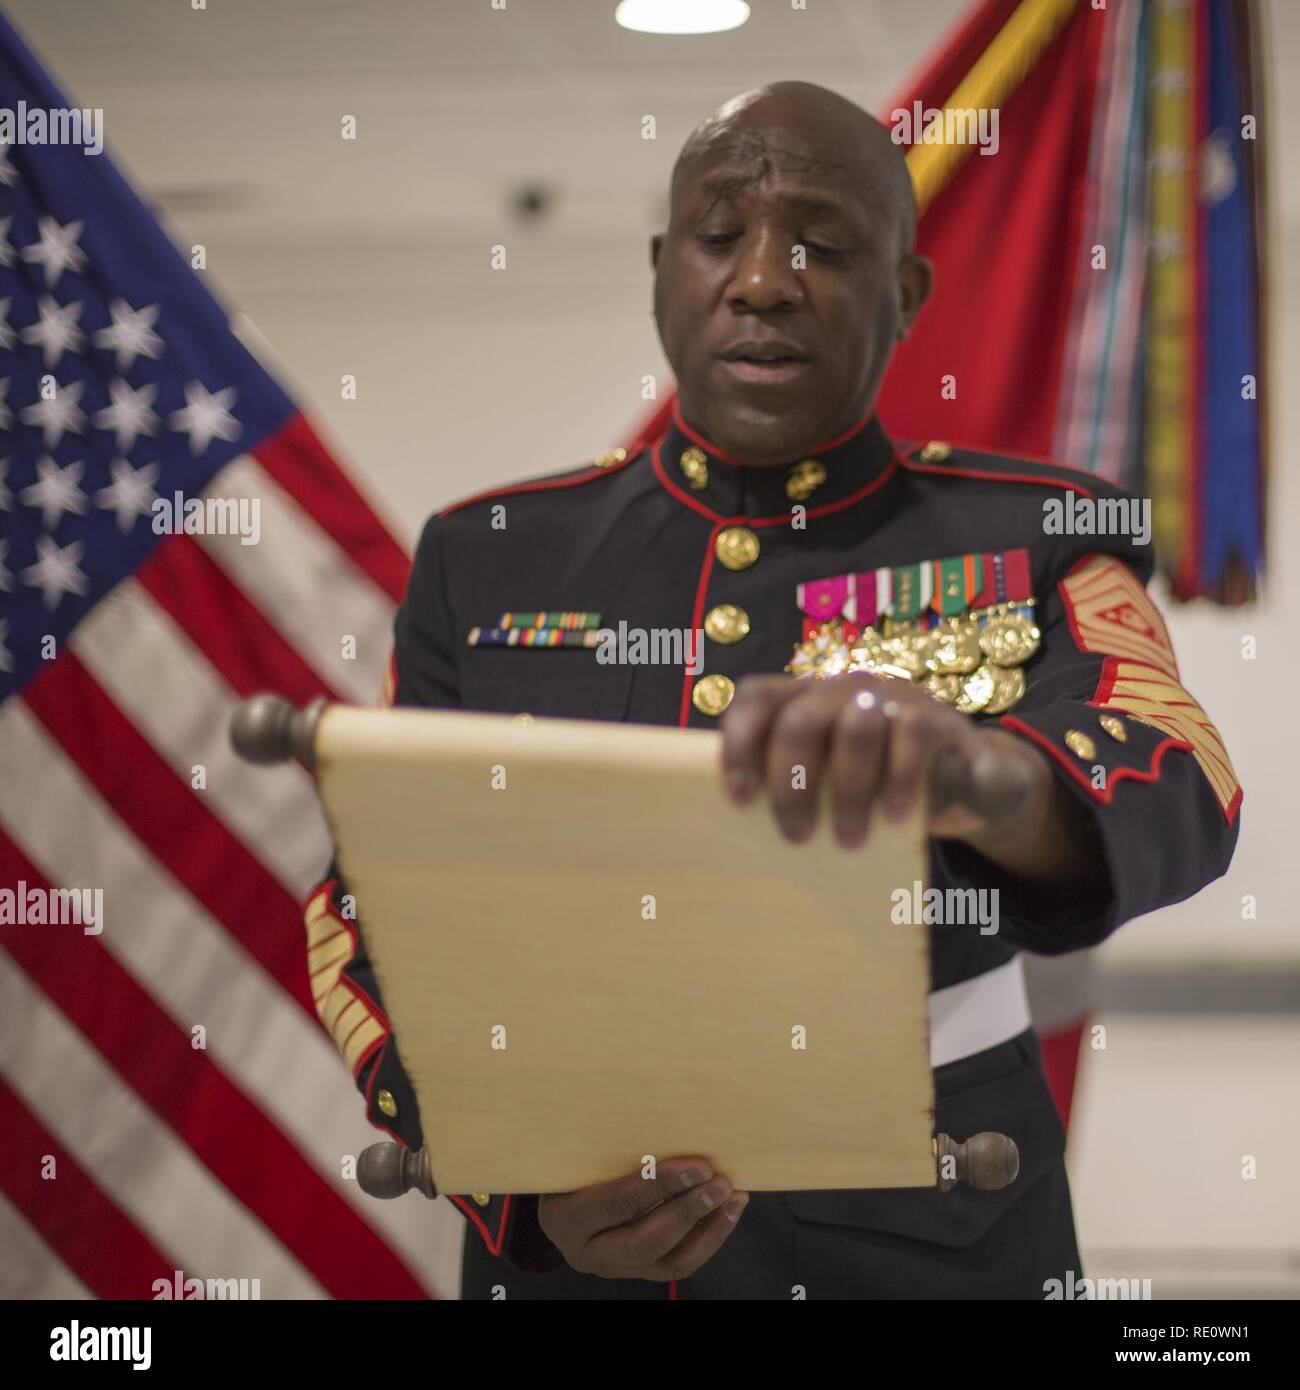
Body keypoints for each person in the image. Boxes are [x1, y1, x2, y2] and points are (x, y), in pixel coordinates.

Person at [301, 81, 1239, 1299]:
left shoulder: (1040, 533)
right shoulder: (491, 555)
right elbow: (374, 904)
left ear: (904, 295)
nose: (761, 280)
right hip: (578, 1224)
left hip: (933, 1223)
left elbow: (1177, 772)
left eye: (822, 245)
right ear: (659, 271)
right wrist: (516, 1182)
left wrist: (979, 775)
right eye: (717, 236)